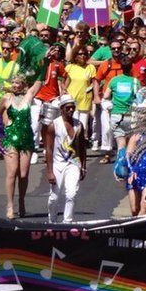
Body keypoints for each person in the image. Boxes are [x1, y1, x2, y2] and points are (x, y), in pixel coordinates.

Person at [0, 77, 42, 219]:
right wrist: (4, 125)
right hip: (10, 139)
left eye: (18, 83)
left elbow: (38, 82)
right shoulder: (6, 98)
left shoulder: (28, 97)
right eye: (13, 83)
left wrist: (45, 60)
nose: (15, 85)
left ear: (23, 85)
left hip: (26, 139)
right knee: (12, 172)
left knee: (23, 175)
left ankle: (21, 200)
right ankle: (10, 205)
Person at [43, 95, 87, 223]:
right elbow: (49, 149)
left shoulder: (79, 125)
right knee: (54, 198)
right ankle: (52, 220)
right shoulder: (53, 125)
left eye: (73, 107)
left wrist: (83, 166)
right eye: (68, 108)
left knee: (71, 194)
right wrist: (49, 171)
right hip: (57, 164)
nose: (71, 110)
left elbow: (82, 148)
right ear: (61, 108)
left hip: (73, 164)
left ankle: (67, 222)